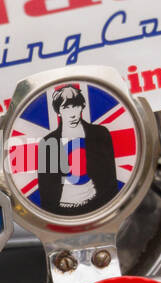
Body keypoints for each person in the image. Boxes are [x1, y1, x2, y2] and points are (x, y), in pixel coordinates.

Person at [35, 84, 117, 216]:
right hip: (62, 211)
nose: (72, 113)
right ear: (58, 111)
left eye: (75, 106)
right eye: (66, 107)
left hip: (99, 204)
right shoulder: (48, 142)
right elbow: (46, 188)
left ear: (82, 106)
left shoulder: (100, 133)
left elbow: (110, 176)